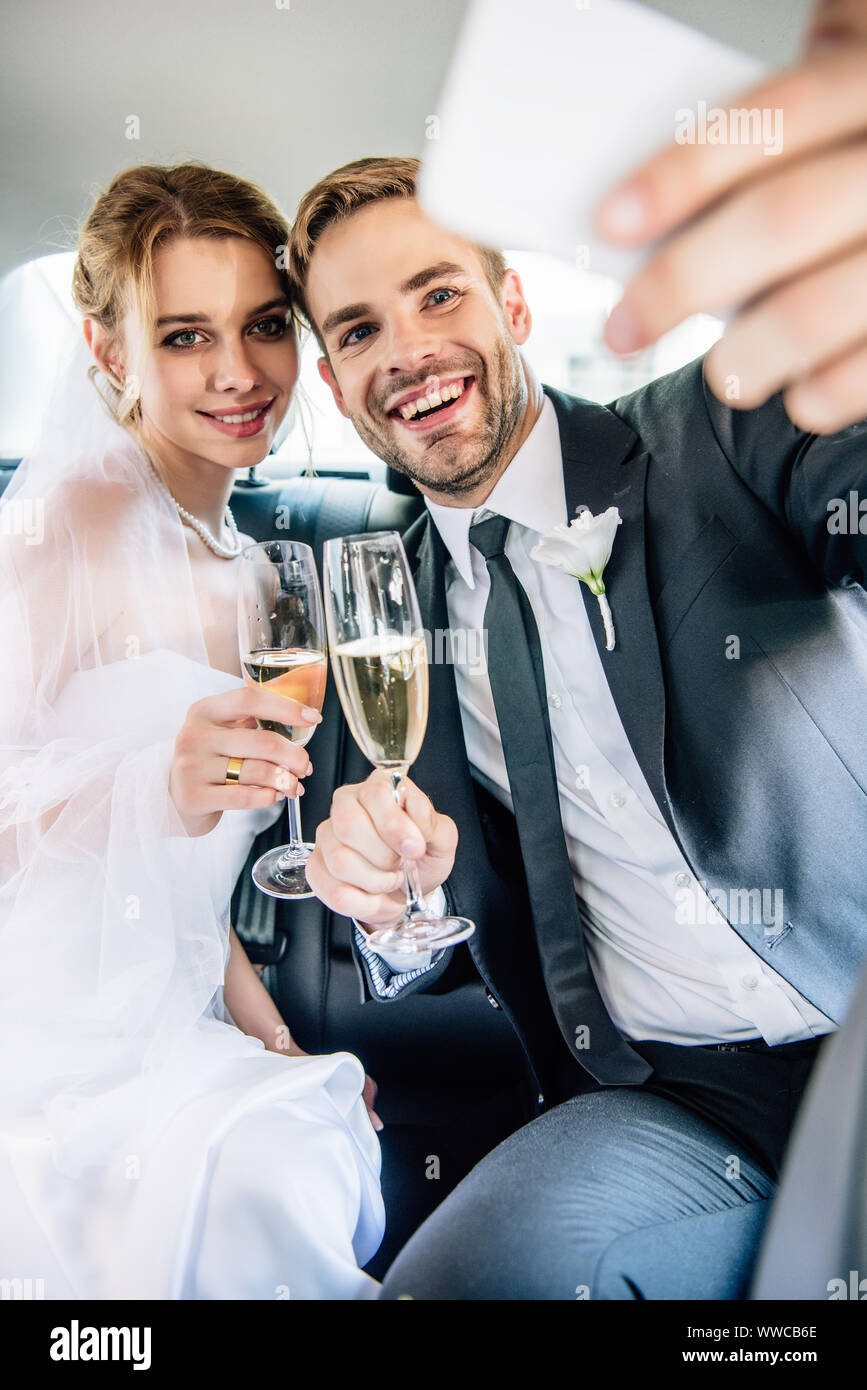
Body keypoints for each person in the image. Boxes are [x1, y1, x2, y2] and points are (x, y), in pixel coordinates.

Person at [289, 1, 867, 1298]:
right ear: (332, 378)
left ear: (506, 298)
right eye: (358, 328)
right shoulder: (373, 602)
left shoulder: (722, 420)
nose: (408, 350)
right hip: (672, 1101)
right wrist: (378, 895)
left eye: (436, 292)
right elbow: (415, 916)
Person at [0, 163, 384, 1300]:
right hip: (45, 1031)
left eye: (266, 325)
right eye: (182, 336)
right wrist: (146, 783)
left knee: (301, 1145)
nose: (238, 372)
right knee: (264, 1183)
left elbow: (186, 897)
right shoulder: (67, 528)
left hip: (169, 1024)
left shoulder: (257, 570)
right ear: (108, 352)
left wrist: (275, 1045)